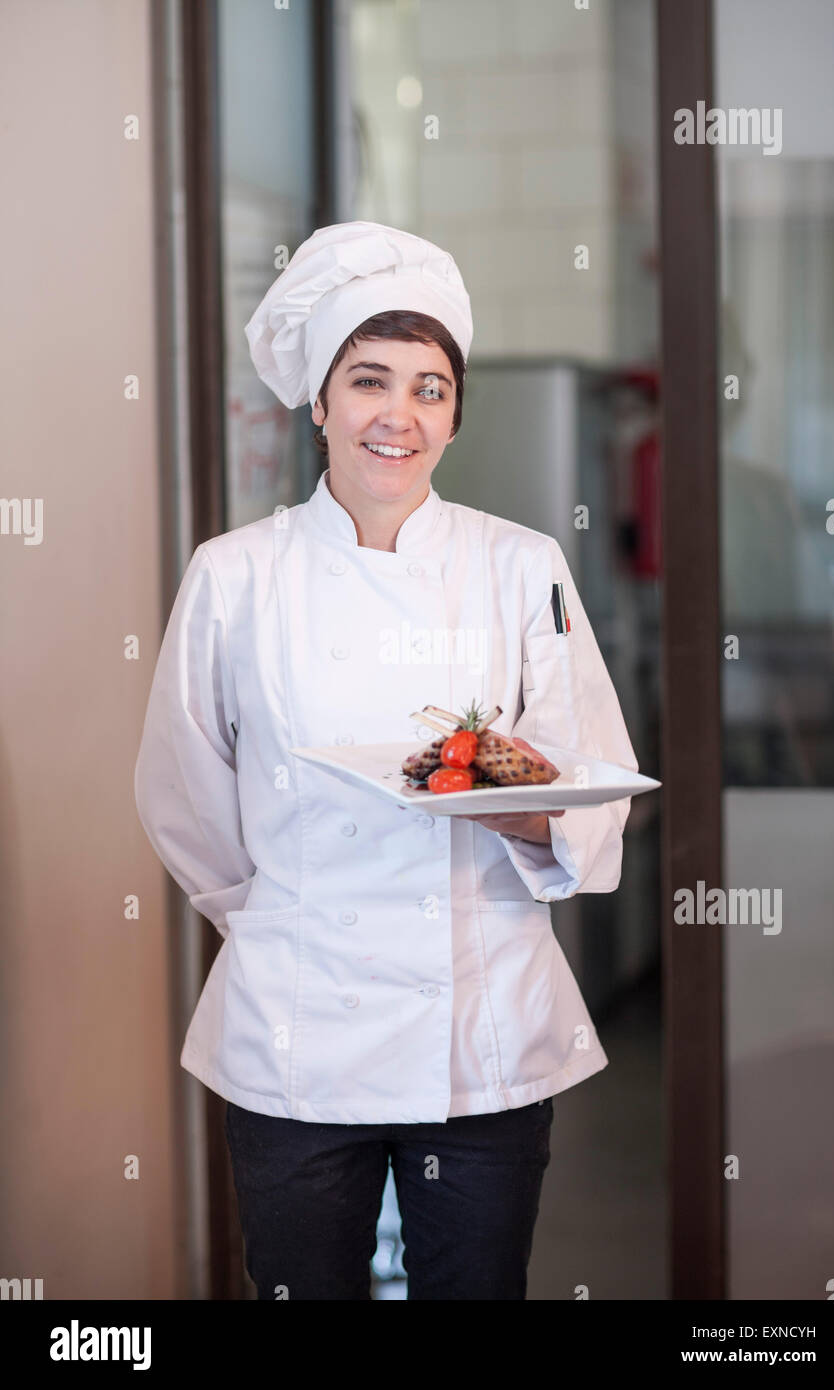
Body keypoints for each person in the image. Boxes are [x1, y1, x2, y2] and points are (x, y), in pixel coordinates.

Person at [134, 221, 639, 1300]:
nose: (397, 416)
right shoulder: (235, 577)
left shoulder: (519, 566)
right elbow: (182, 791)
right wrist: (278, 914)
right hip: (293, 1023)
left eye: (429, 388)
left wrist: (522, 814)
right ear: (318, 402)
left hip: (482, 1024)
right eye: (368, 381)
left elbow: (586, 767)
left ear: (453, 416)